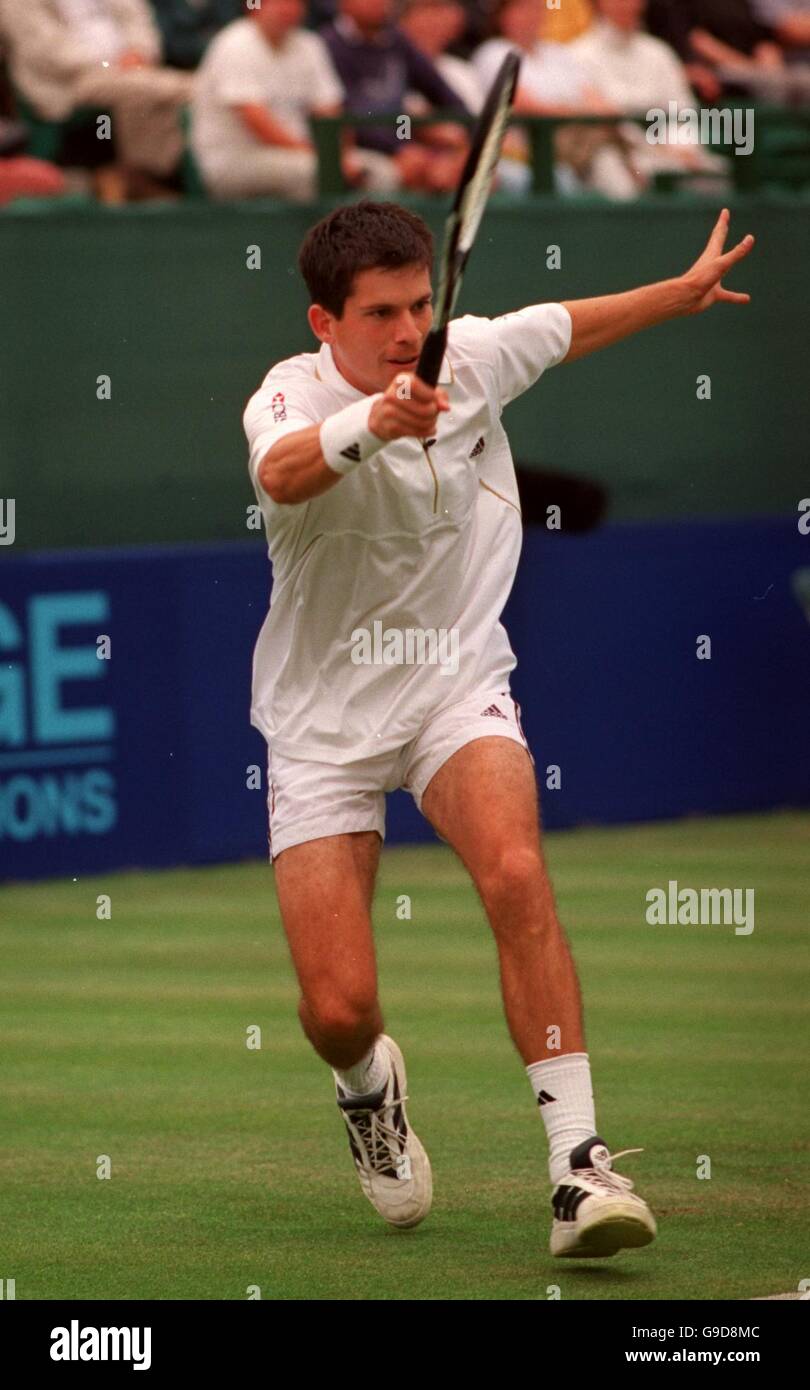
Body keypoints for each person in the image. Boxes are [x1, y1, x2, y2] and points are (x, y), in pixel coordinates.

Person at [242, 198, 755, 1256]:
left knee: (517, 869)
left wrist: (679, 292)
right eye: (380, 312)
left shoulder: (467, 358)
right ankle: (369, 1090)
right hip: (321, 723)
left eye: (419, 303)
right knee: (339, 1008)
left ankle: (580, 1167)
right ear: (322, 321)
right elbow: (279, 471)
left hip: (451, 682)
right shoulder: (289, 395)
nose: (405, 329)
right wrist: (373, 421)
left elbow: (570, 325)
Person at [0, 0, 194, 198]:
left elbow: (139, 22)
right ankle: (147, 177)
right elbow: (46, 51)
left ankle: (158, 174)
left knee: (155, 91)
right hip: (67, 82)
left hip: (131, 71)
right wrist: (110, 65)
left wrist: (139, 52)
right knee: (164, 90)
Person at [191, 0, 347, 201]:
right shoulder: (234, 43)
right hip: (234, 161)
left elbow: (330, 111)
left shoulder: (310, 44)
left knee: (381, 173)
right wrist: (326, 159)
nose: (288, 9)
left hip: (300, 154)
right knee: (317, 172)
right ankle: (314, 232)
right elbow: (257, 122)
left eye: (295, 3)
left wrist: (342, 155)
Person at [320, 0, 472, 193]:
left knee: (469, 172)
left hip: (406, 148)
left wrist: (464, 144)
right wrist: (401, 147)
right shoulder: (328, 44)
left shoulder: (397, 41)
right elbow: (352, 114)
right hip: (356, 151)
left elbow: (445, 97)